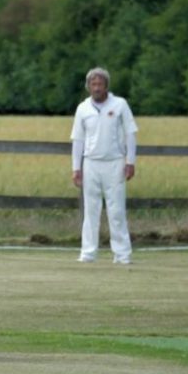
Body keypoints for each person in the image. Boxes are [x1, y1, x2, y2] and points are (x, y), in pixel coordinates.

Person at [70, 67, 138, 264]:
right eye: (93, 84)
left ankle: (122, 254)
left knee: (116, 209)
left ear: (106, 85)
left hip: (115, 162)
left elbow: (130, 133)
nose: (97, 87)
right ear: (88, 86)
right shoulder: (83, 108)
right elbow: (78, 140)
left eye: (100, 84)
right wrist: (76, 168)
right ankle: (88, 252)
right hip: (91, 163)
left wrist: (130, 162)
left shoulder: (120, 105)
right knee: (91, 210)